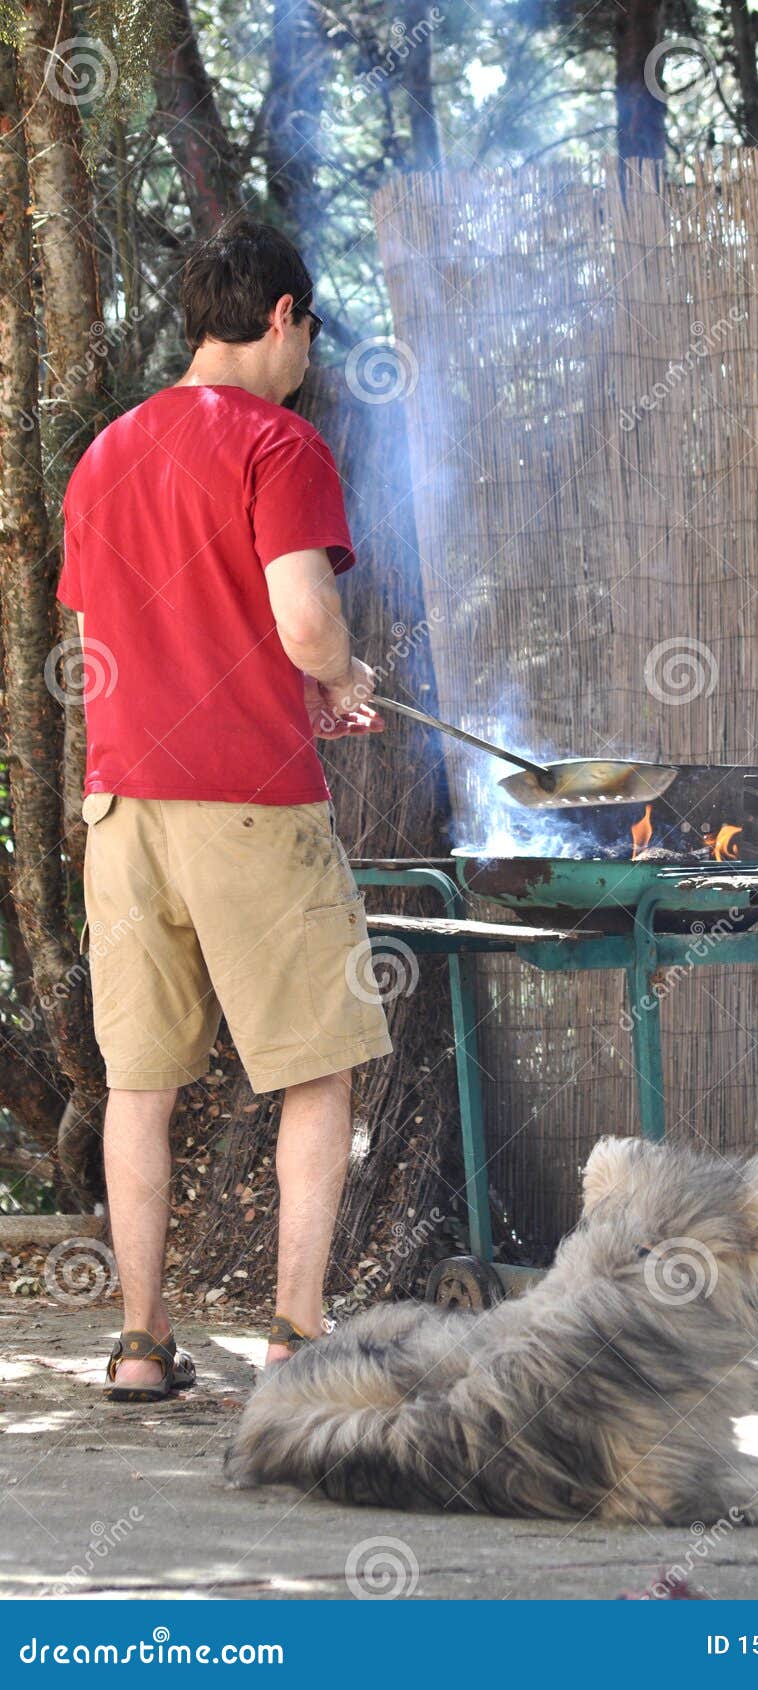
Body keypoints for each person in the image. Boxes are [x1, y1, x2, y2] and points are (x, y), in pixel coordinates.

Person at [58, 218, 393, 1402]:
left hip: (121, 807)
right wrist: (340, 679)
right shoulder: (277, 441)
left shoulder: (105, 454)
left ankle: (141, 1344)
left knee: (138, 1081)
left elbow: (106, 642)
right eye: (310, 335)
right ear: (284, 316)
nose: (309, 361)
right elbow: (304, 624)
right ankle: (295, 1334)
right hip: (249, 800)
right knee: (320, 1064)